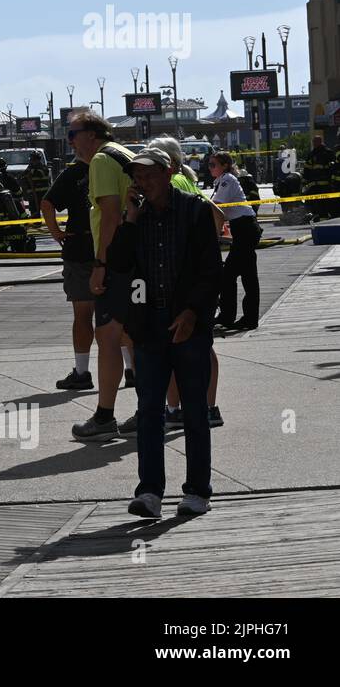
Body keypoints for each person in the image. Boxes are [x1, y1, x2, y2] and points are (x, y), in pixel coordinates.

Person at [108, 147, 222, 519]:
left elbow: (210, 271)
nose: (142, 183)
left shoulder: (194, 211)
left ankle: (197, 491)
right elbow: (119, 263)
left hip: (187, 324)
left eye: (148, 175)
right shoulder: (137, 219)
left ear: (169, 171)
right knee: (149, 409)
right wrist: (128, 218)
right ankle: (150, 491)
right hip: (149, 326)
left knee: (193, 409)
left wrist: (192, 312)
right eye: (136, 178)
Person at [65, 111, 139, 441]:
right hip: (138, 260)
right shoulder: (125, 154)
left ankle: (105, 417)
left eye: (73, 134)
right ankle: (159, 408)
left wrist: (100, 264)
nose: (70, 141)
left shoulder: (101, 161)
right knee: (135, 338)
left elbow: (110, 216)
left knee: (108, 338)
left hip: (119, 262)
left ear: (92, 134)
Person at [150, 136, 225, 430]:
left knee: (171, 345)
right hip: (197, 277)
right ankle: (209, 408)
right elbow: (217, 215)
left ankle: (174, 410)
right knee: (204, 347)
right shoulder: (187, 181)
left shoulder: (173, 186)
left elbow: (213, 215)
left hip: (176, 280)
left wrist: (190, 251)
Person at [41, 153, 94, 390]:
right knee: (118, 316)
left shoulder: (74, 173)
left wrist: (56, 232)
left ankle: (82, 372)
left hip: (81, 248)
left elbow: (46, 203)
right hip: (115, 247)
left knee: (83, 314)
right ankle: (130, 369)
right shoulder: (120, 164)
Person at [210, 151, 261, 331]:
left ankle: (228, 316)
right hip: (242, 229)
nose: (210, 168)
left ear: (224, 165)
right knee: (248, 276)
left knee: (229, 275)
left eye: (213, 165)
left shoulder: (227, 180)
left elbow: (216, 207)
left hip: (245, 229)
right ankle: (247, 318)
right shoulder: (221, 180)